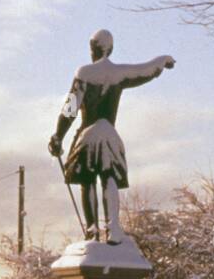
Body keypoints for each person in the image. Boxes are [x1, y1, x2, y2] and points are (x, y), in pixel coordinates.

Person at [48, 30, 175, 243]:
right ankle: (113, 226)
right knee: (109, 178)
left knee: (87, 180)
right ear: (111, 49)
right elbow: (144, 71)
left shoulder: (84, 73)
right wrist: (162, 62)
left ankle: (92, 229)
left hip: (88, 134)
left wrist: (58, 135)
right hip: (109, 133)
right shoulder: (119, 73)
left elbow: (70, 109)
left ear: (93, 49)